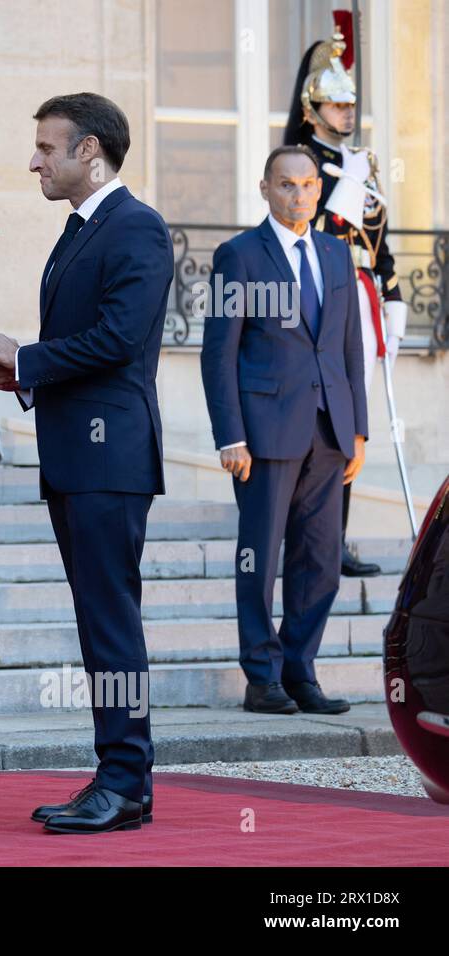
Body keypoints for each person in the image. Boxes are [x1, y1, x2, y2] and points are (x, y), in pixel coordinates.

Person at [0, 93, 171, 834]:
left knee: (111, 623)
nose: (34, 161)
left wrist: (23, 357)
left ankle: (125, 782)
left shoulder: (138, 228)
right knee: (100, 623)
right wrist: (20, 371)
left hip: (108, 455)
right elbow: (84, 342)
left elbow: (118, 341)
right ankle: (121, 776)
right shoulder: (82, 228)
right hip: (77, 454)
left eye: (47, 149)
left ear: (90, 151)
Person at [200, 145, 366, 718]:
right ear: (265, 188)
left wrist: (359, 430)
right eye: (287, 185)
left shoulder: (336, 255)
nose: (300, 195)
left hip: (330, 434)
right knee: (259, 558)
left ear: (319, 189)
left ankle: (300, 672)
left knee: (320, 561)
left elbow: (350, 349)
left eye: (309, 185)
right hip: (264, 436)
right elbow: (218, 353)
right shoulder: (238, 255)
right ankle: (261, 678)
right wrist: (230, 435)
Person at [285, 17, 406, 577]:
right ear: (312, 109)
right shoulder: (302, 164)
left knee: (353, 422)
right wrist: (352, 180)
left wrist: (395, 291)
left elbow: (377, 240)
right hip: (323, 299)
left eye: (350, 105)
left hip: (363, 296)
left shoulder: (358, 163)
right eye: (336, 106)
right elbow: (315, 221)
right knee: (326, 422)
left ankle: (336, 538)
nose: (347, 114)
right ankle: (312, 538)